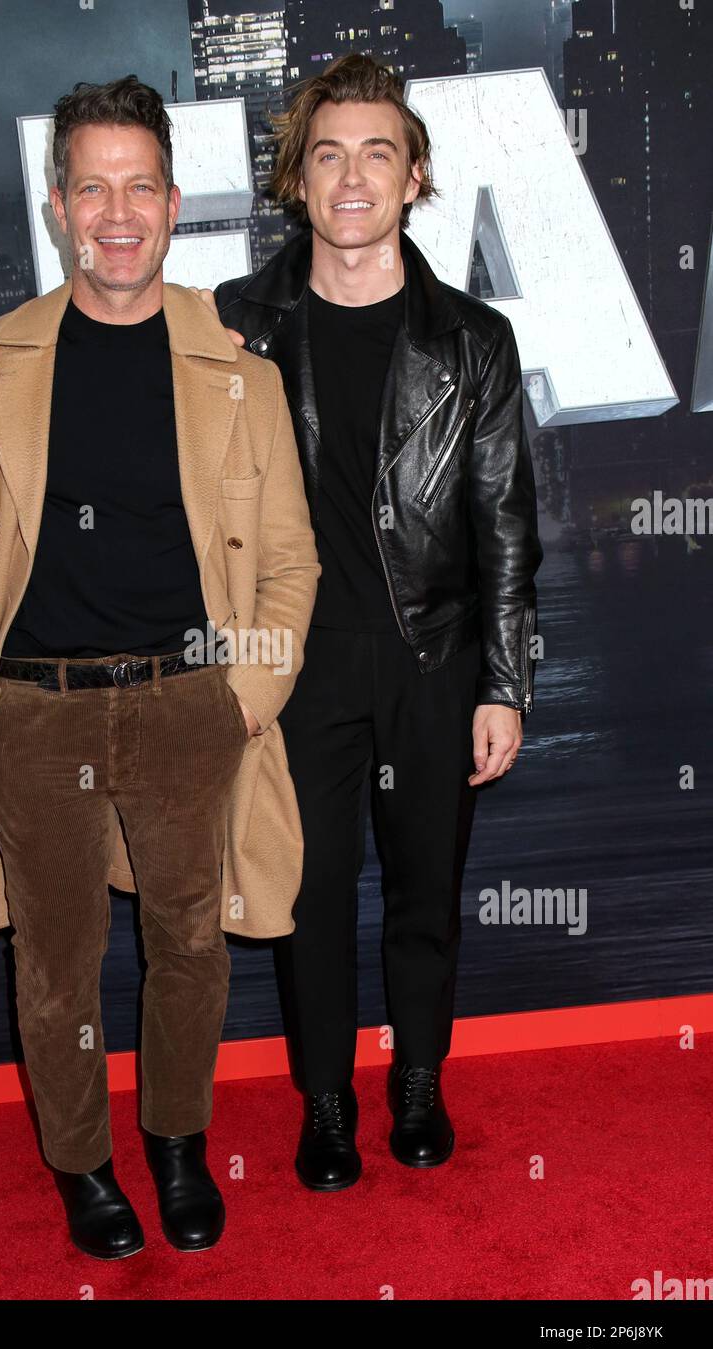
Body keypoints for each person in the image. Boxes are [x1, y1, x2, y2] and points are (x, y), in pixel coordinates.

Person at [0, 75, 319, 1256]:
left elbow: (291, 561)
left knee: (191, 946)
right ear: (58, 205)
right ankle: (85, 1166)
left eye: (141, 187)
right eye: (95, 187)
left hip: (195, 705)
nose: (118, 213)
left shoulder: (241, 376)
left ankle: (179, 1143)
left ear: (175, 204)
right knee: (56, 970)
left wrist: (248, 699)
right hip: (34, 715)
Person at [204, 54, 543, 1189]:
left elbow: (505, 526)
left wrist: (506, 685)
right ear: (298, 179)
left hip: (433, 661)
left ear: (414, 178)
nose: (352, 178)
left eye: (377, 153)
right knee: (306, 899)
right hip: (296, 665)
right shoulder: (237, 327)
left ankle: (418, 1081)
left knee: (426, 891)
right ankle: (328, 1102)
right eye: (328, 154)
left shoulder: (470, 341)